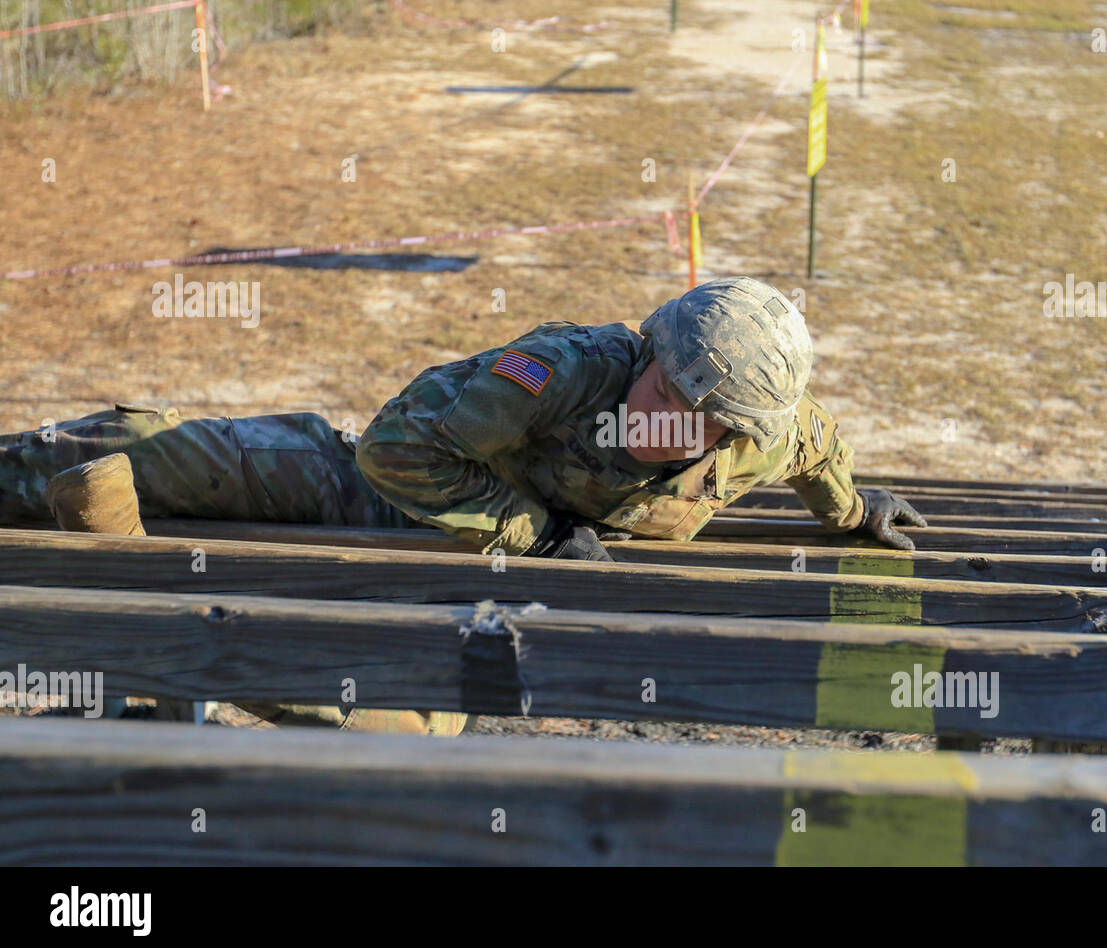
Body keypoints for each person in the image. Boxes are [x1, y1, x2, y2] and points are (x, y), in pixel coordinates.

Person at [0, 276, 926, 732]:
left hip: (472, 597)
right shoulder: (565, 372)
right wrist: (538, 530)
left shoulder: (761, 430)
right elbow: (398, 449)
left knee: (378, 719)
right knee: (153, 449)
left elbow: (821, 447)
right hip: (379, 494)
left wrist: (854, 512)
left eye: (704, 420)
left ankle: (171, 670)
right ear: (646, 356)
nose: (674, 425)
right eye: (667, 396)